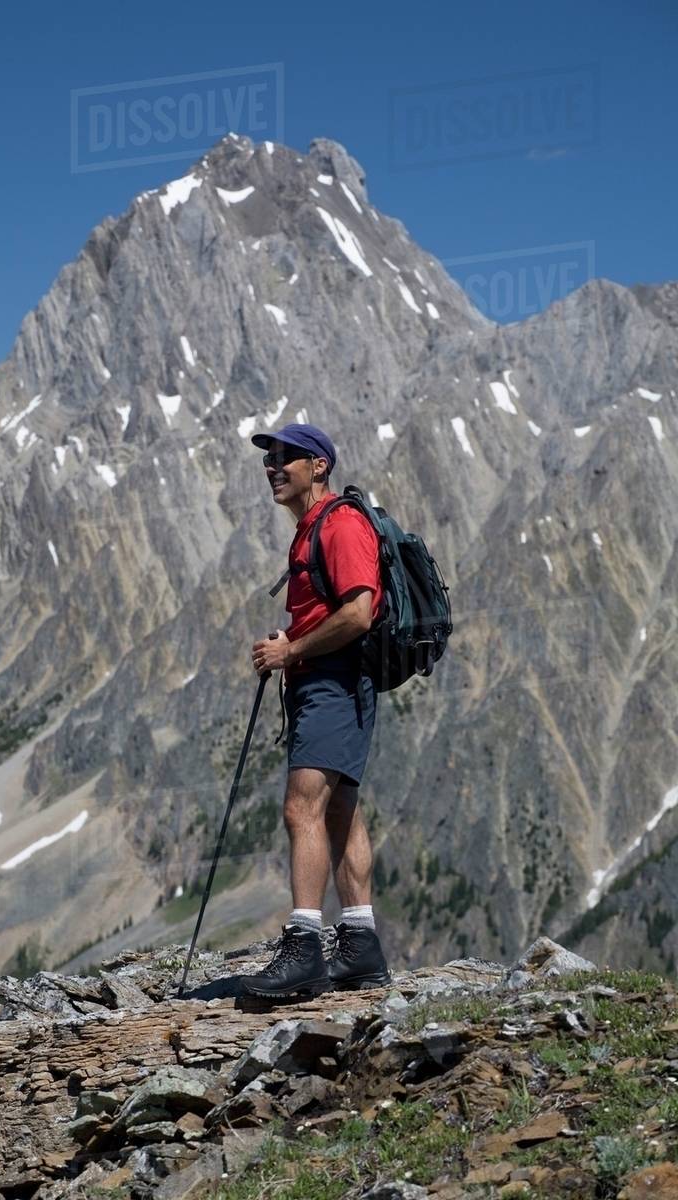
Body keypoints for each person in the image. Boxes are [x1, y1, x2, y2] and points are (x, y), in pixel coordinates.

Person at [241, 422, 391, 997]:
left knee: (301, 807)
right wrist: (295, 637)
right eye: (268, 461)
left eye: (286, 459)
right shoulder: (310, 530)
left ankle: (304, 947)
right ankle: (360, 946)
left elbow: (358, 612)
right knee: (340, 810)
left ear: (319, 466)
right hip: (333, 683)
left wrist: (292, 649)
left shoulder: (341, 524)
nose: (273, 468)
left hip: (333, 683)